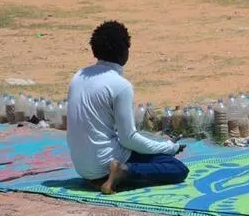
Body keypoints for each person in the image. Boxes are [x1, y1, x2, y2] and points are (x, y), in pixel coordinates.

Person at [67, 21, 188, 195]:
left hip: (81, 166)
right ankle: (123, 172)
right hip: (104, 162)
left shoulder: (78, 76)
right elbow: (128, 139)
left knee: (148, 151)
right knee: (175, 167)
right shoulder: (120, 85)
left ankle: (103, 177)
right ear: (124, 50)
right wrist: (169, 147)